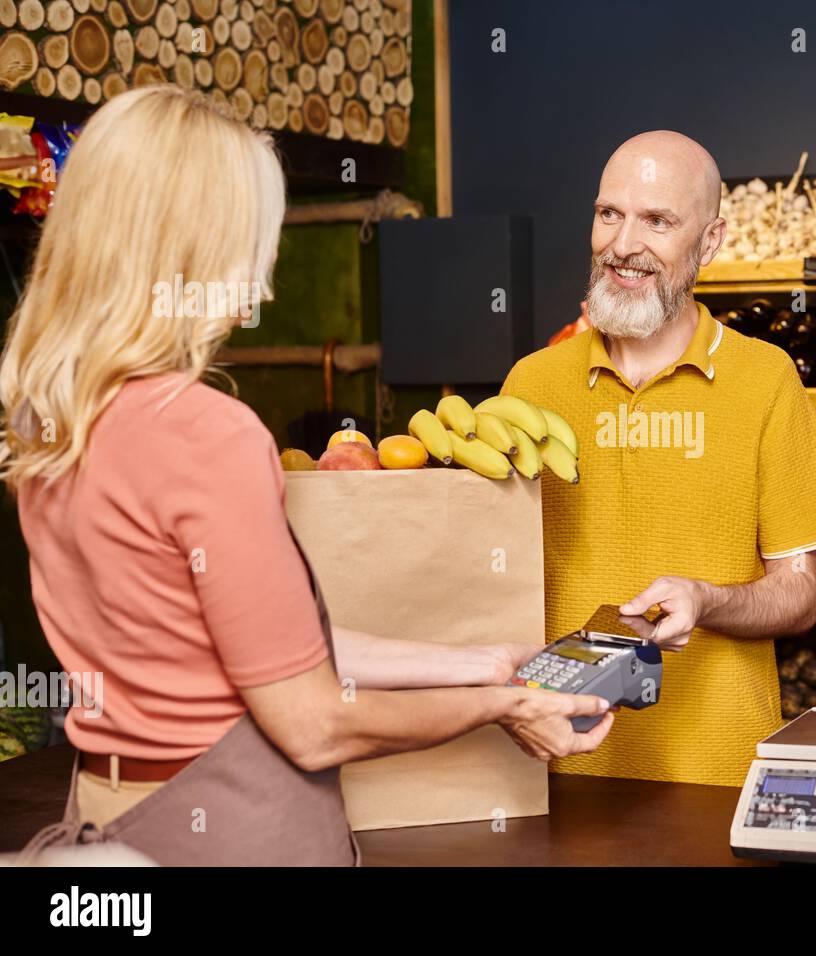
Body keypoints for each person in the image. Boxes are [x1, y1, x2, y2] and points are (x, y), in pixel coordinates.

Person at [0, 86, 612, 867]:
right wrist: (502, 705)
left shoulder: (48, 420)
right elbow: (312, 717)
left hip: (111, 816)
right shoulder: (206, 434)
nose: (259, 291)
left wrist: (483, 661)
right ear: (185, 254)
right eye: (245, 254)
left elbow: (262, 652)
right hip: (230, 831)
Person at [502, 131, 816, 787]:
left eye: (658, 220)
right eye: (608, 214)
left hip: (715, 783)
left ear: (708, 242)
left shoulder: (765, 382)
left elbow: (802, 594)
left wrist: (705, 599)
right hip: (552, 776)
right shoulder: (530, 387)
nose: (623, 245)